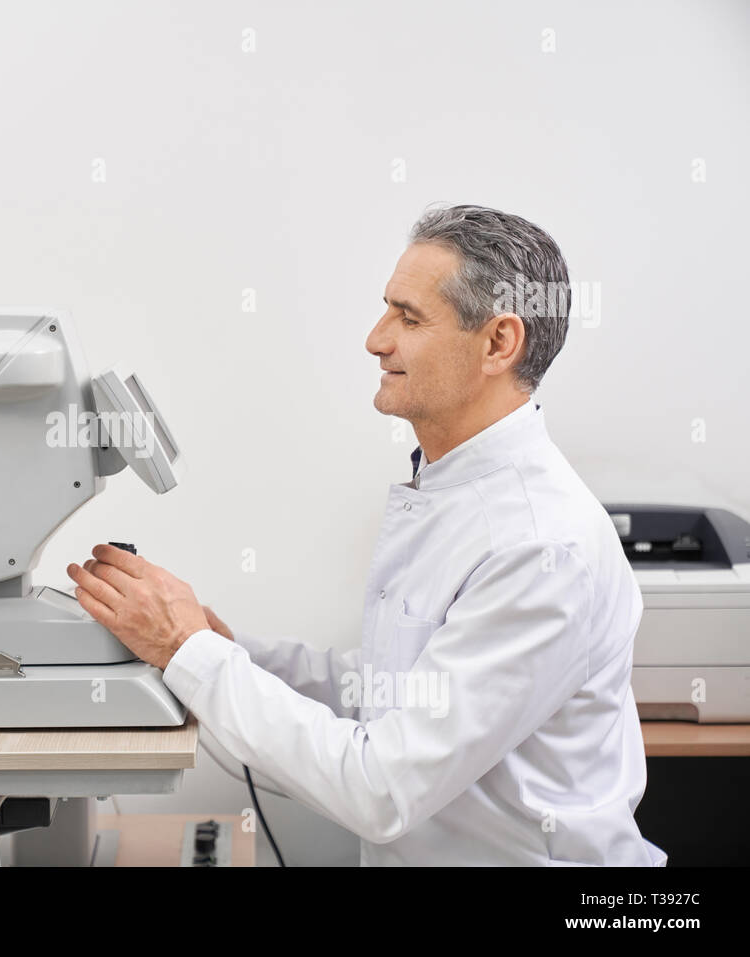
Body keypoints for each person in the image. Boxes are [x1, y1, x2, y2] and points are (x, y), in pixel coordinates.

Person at [68, 205, 667, 866]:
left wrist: (189, 651)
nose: (375, 339)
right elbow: (390, 688)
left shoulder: (540, 547)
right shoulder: (452, 489)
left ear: (498, 343)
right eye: (387, 310)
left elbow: (380, 788)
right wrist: (226, 648)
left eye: (408, 318)